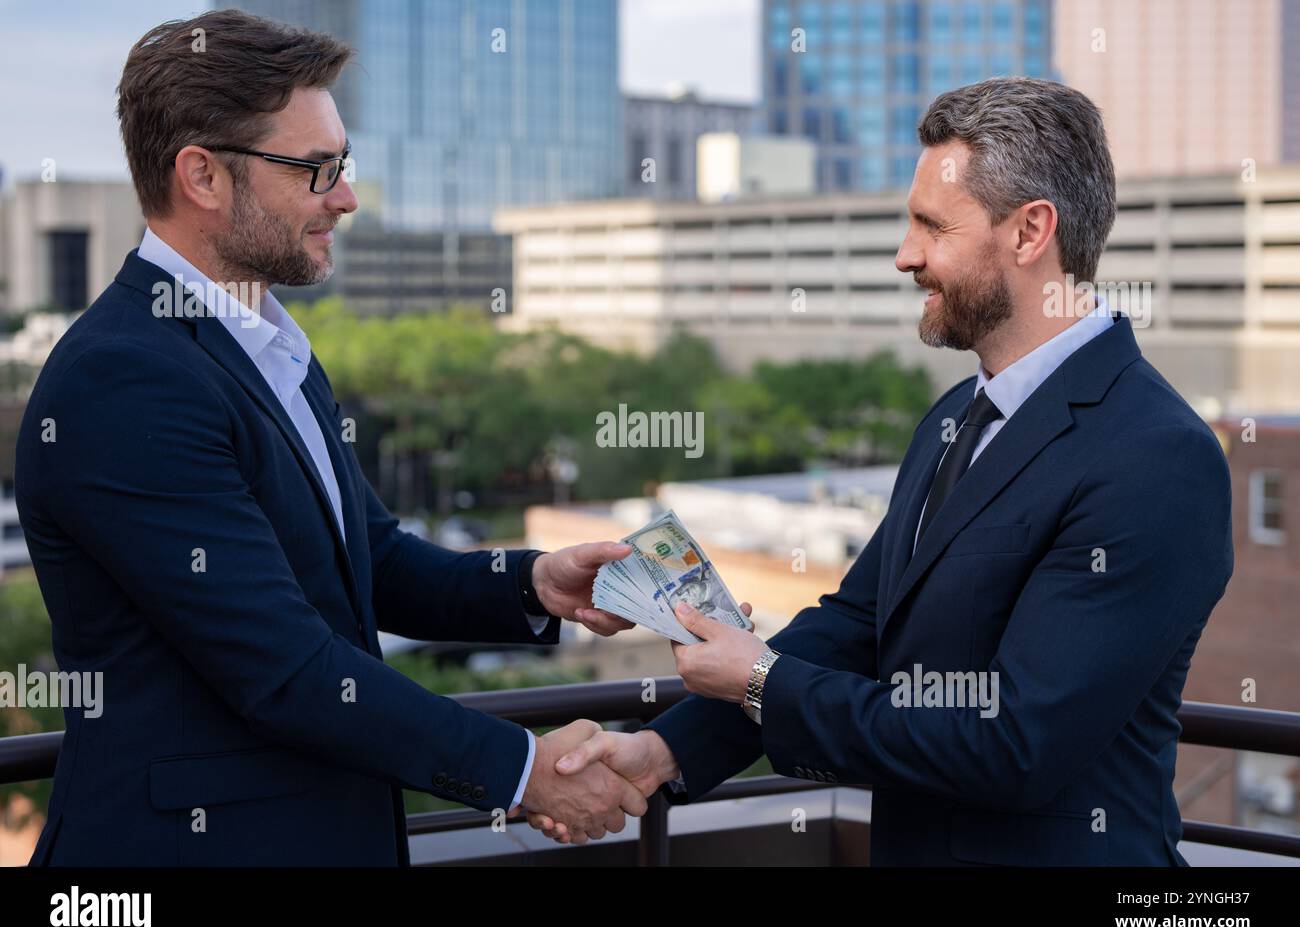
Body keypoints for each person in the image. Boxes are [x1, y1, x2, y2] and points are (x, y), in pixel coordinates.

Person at [529, 77, 1235, 866]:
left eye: (932, 226)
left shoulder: (1156, 456)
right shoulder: (951, 418)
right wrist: (665, 752)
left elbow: (1017, 745)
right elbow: (857, 628)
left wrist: (762, 679)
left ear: (1031, 231)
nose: (906, 256)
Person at [16, 9, 641, 866]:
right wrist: (526, 769)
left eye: (340, 165)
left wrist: (534, 583)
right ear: (201, 175)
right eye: (314, 170)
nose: (345, 197)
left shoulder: (269, 345)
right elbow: (285, 670)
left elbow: (368, 561)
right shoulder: (124, 378)